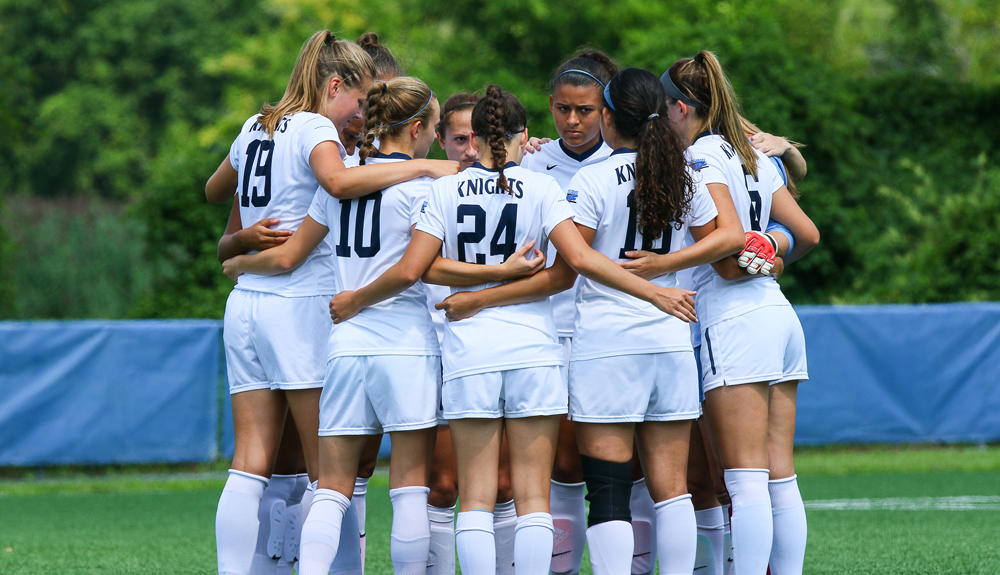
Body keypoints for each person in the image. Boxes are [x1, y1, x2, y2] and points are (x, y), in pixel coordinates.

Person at [325, 84, 699, 575]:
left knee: (475, 500)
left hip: (469, 350)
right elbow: (574, 263)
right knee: (533, 500)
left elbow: (425, 268)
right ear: (525, 136)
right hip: (533, 352)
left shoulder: (443, 189)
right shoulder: (542, 188)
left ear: (473, 138)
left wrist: (483, 286)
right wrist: (515, 271)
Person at [203, 30, 456, 575]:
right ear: (334, 84)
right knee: (329, 474)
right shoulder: (318, 128)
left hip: (247, 301)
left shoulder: (255, 124)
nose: (362, 116)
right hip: (303, 306)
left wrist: (239, 246)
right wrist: (424, 165)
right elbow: (339, 184)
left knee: (249, 464)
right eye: (360, 101)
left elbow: (215, 192)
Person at [625, 51, 819, 575]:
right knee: (781, 476)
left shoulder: (703, 156)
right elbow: (807, 235)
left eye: (663, 111)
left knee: (745, 479)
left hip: (733, 321)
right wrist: (773, 252)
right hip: (778, 317)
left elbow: (730, 261)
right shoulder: (749, 150)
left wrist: (664, 263)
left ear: (682, 109)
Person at [517, 50, 618, 575]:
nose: (573, 121)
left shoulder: (631, 163)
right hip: (545, 328)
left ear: (607, 109)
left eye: (585, 110)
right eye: (562, 109)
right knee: (557, 464)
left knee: (617, 465)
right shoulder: (531, 163)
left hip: (610, 330)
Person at [426, 91, 521, 575]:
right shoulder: (426, 188)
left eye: (474, 138)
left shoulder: (522, 180)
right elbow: (417, 268)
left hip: (504, 343)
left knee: (504, 483)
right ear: (439, 138)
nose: (467, 149)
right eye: (457, 138)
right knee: (442, 483)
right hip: (441, 346)